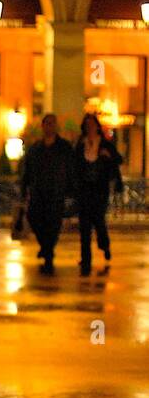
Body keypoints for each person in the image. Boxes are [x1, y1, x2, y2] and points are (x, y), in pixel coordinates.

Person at [20, 113, 73, 275]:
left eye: (52, 124)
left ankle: (48, 252)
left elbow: (71, 169)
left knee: (53, 223)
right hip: (38, 191)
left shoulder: (64, 147)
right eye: (47, 124)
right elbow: (27, 170)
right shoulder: (36, 149)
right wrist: (24, 188)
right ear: (43, 126)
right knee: (34, 218)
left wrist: (70, 190)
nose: (49, 127)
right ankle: (45, 247)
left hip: (56, 192)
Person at [72, 112, 121, 276]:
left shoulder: (105, 144)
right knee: (84, 224)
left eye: (92, 124)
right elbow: (75, 165)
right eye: (87, 125)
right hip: (84, 189)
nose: (90, 127)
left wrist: (108, 157)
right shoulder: (80, 144)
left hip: (100, 189)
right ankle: (86, 257)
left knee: (99, 220)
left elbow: (118, 159)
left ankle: (104, 245)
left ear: (97, 126)